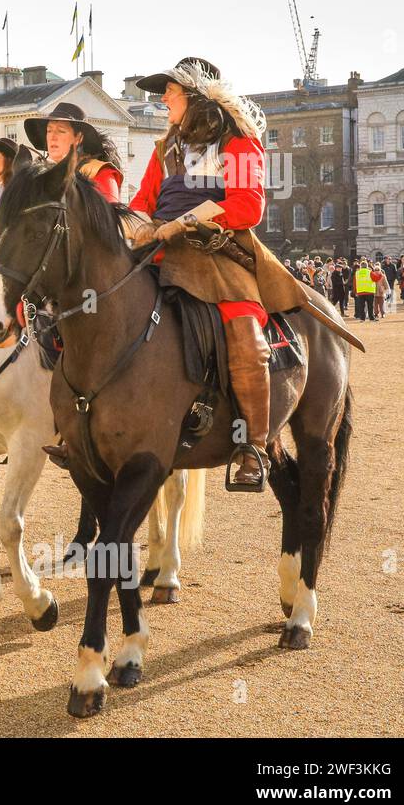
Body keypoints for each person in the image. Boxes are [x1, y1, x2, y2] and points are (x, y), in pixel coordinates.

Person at [123, 56, 308, 490]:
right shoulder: (165, 147)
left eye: (168, 91)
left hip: (217, 252)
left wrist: (185, 224)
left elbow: (247, 206)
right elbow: (142, 200)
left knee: (243, 330)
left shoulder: (239, 143)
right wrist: (137, 225)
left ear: (194, 94)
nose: (162, 99)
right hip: (156, 249)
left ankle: (254, 447)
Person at [22, 103, 123, 204]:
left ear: (78, 138)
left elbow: (109, 216)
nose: (52, 137)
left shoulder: (100, 173)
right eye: (49, 131)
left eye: (61, 131)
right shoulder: (42, 177)